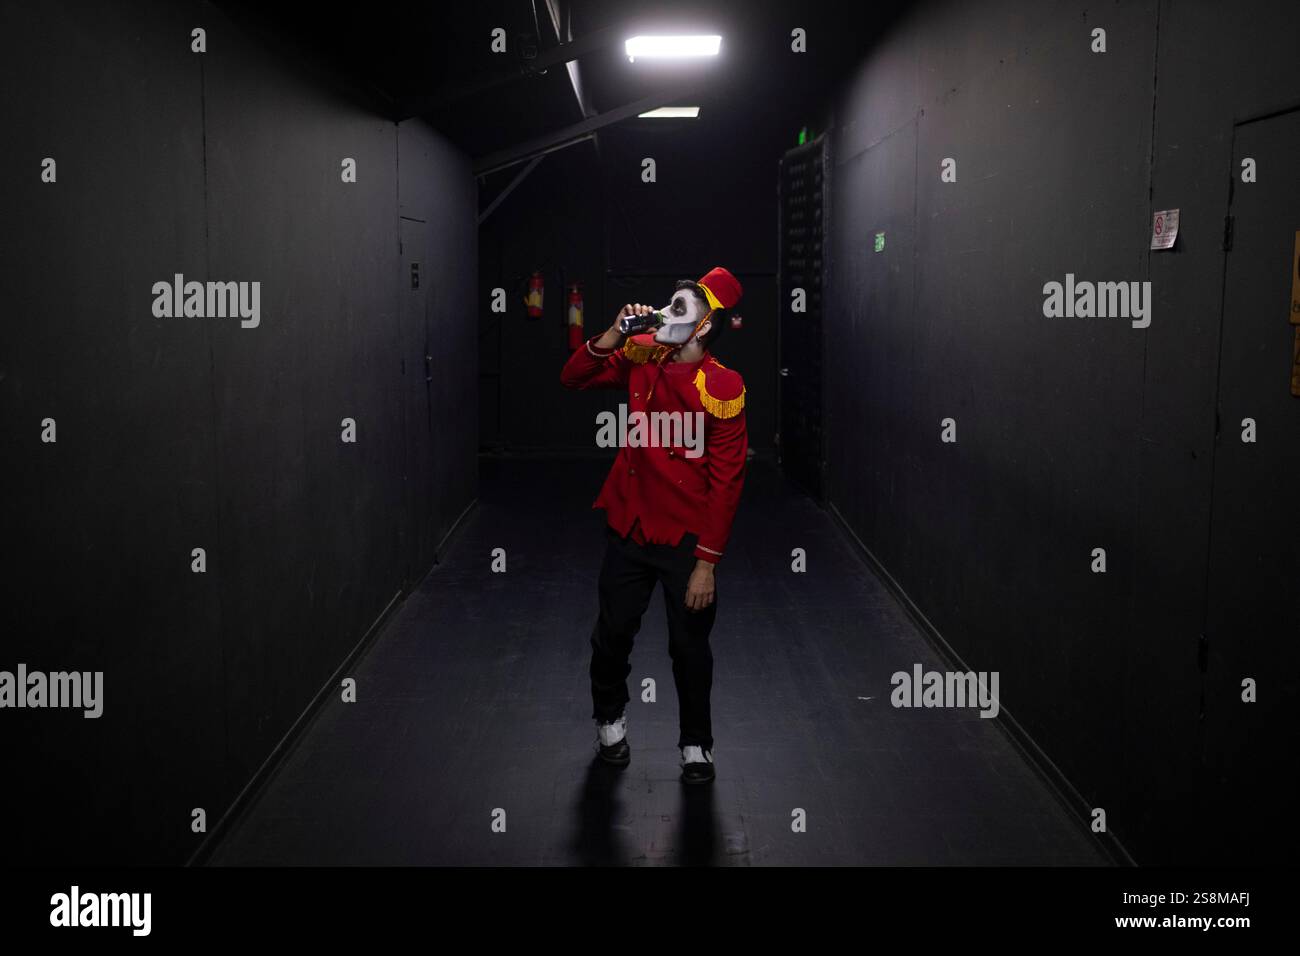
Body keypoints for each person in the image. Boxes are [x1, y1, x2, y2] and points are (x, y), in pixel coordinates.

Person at [559, 267, 747, 784]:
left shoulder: (722, 387)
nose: (666, 313)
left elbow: (727, 482)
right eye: (669, 303)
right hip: (628, 525)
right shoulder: (641, 355)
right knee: (612, 635)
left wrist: (706, 564)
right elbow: (572, 377)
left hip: (685, 539)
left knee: (689, 648)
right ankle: (610, 719)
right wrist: (617, 332)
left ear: (705, 326)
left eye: (680, 308)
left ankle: (695, 744)